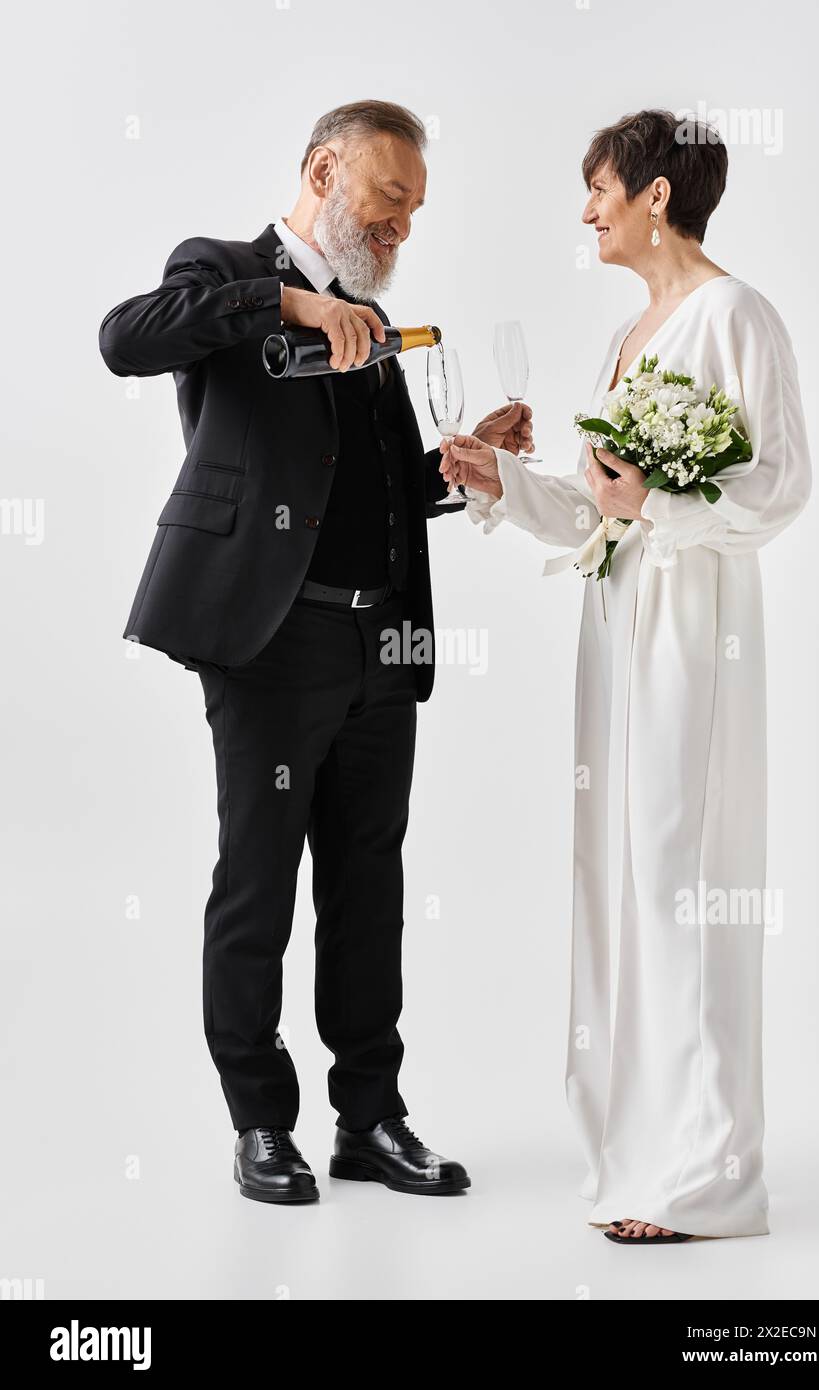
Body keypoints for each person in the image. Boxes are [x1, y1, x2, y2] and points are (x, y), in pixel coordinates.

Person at [99, 99, 532, 1204]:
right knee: (258, 883)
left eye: (412, 215)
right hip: (271, 639)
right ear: (325, 170)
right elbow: (125, 337)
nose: (399, 231)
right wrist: (281, 299)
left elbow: (387, 487)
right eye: (389, 201)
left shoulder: (369, 325)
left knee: (368, 886)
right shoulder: (223, 275)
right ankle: (259, 1123)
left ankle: (371, 1119)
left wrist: (467, 464)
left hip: (379, 638)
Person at [440, 109, 811, 1242]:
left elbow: (781, 489)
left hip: (693, 625)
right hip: (620, 619)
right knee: (623, 880)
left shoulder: (735, 314)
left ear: (658, 195)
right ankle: (644, 1147)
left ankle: (715, 1175)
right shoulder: (627, 335)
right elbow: (600, 510)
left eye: (598, 186)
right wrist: (499, 480)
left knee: (682, 872)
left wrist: (663, 506)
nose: (586, 208)